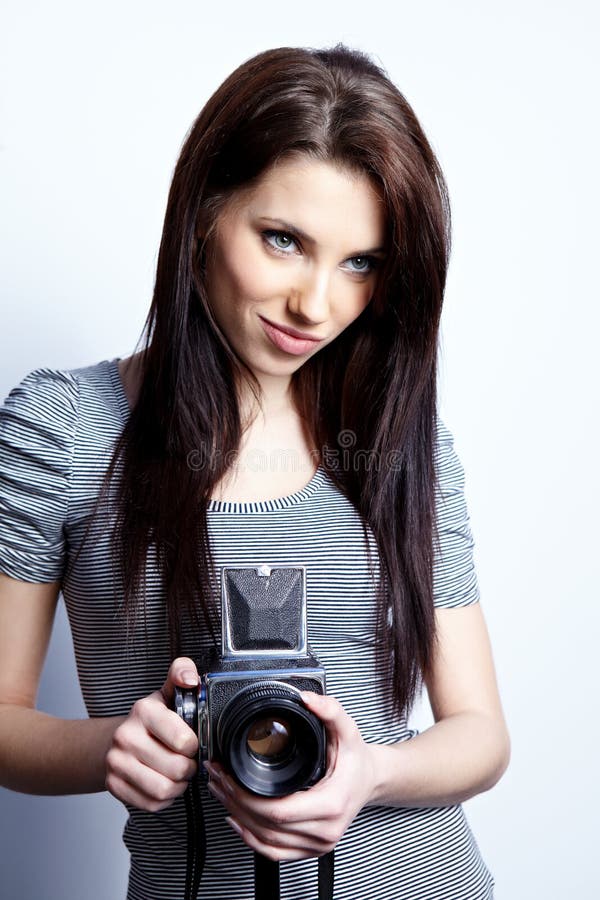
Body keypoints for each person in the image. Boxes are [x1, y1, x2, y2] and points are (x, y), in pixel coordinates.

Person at [0, 44, 510, 899]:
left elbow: (481, 733)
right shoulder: (67, 431)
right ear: (205, 213)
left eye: (361, 263)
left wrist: (370, 775)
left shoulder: (398, 436)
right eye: (283, 241)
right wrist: (118, 745)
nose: (316, 304)